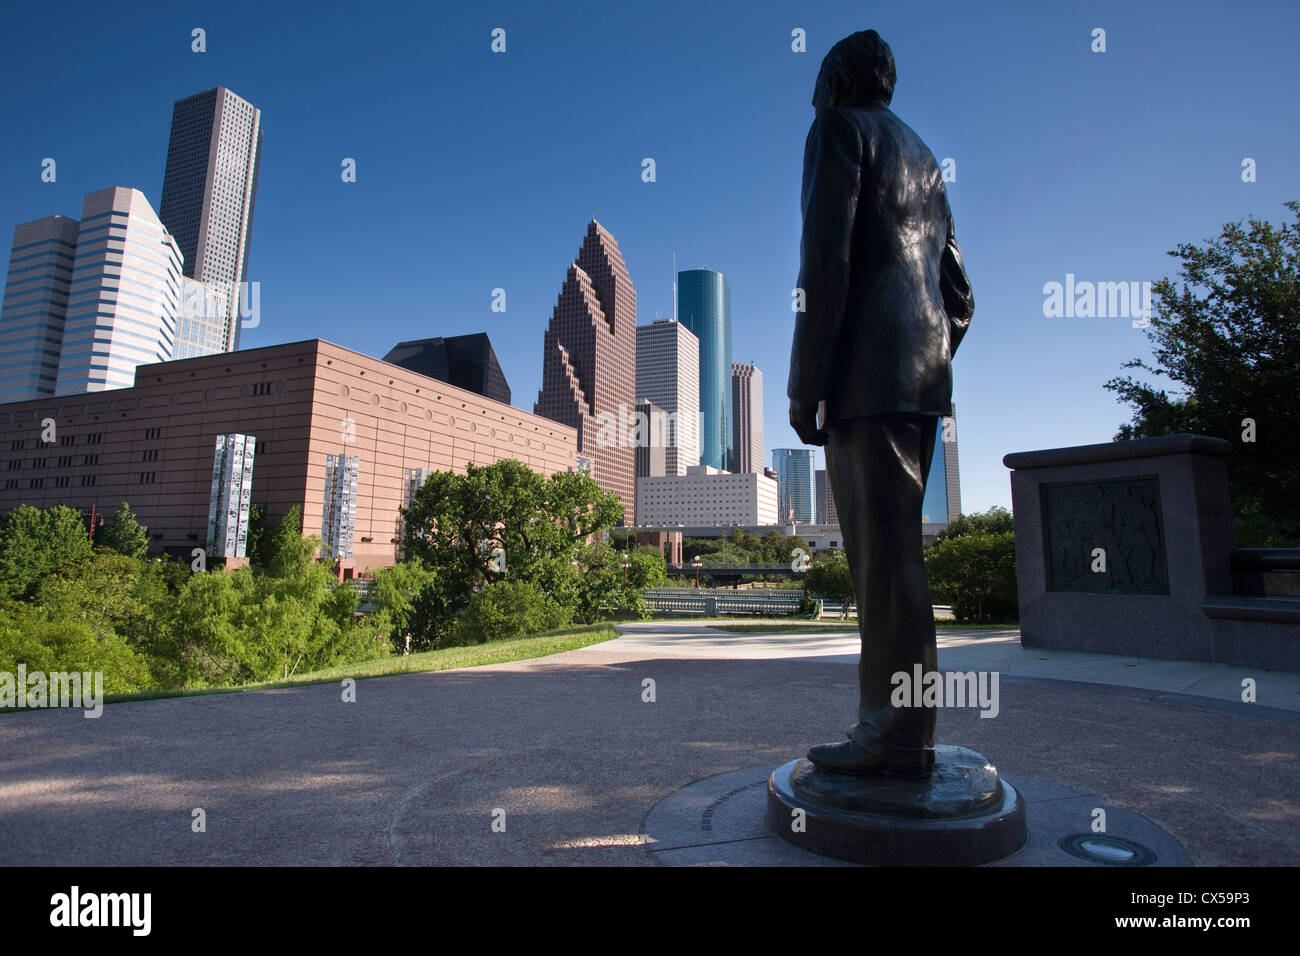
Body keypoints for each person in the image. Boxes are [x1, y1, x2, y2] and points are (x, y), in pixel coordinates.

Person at [787, 30, 974, 778]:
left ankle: (894, 736)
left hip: (867, 378)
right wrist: (925, 353)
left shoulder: (838, 129)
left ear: (835, 81)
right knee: (900, 560)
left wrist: (810, 384)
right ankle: (903, 731)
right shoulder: (925, 154)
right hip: (922, 375)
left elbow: (824, 262)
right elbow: (959, 294)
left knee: (884, 566)